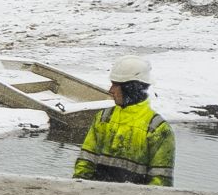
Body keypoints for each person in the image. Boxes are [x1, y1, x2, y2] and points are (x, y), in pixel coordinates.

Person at [73, 55, 175, 186]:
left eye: (116, 85)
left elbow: (160, 183)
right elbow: (85, 163)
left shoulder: (158, 129)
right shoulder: (103, 118)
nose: (111, 91)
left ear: (131, 88)